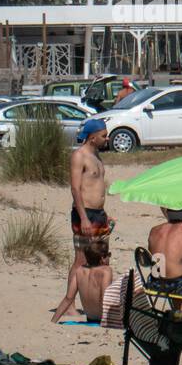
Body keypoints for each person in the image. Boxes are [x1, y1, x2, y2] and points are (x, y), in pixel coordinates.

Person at [63, 118, 112, 321]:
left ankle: (99, 305)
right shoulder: (79, 156)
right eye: (103, 135)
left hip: (99, 214)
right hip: (85, 214)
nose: (107, 138)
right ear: (92, 137)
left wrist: (105, 213)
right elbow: (75, 188)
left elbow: (96, 185)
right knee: (81, 259)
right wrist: (83, 217)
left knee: (102, 258)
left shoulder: (97, 155)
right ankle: (69, 304)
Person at [51, 243, 114, 323]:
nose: (109, 257)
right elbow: (105, 298)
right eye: (109, 255)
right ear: (102, 257)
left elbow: (68, 298)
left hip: (90, 318)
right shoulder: (106, 271)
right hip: (102, 319)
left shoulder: (79, 270)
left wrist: (53, 321)